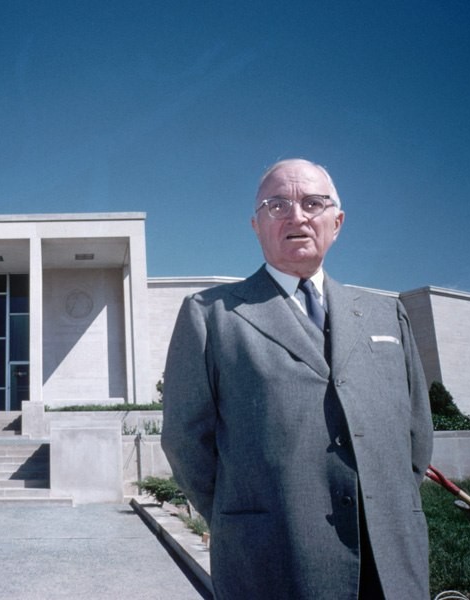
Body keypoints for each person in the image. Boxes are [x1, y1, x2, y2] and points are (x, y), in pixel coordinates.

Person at [161, 159, 433, 600]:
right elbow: (185, 440)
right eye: (277, 205)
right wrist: (240, 518)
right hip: (271, 562)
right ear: (256, 226)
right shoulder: (210, 315)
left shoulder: (388, 314)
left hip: (391, 564)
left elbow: (417, 433)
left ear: (337, 222)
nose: (296, 216)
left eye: (312, 203)